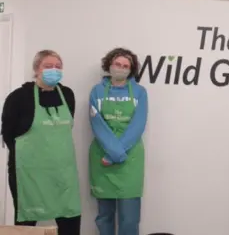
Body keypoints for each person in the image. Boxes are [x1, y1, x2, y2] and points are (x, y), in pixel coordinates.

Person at [1, 50, 81, 235]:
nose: (54, 70)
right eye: (48, 66)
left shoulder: (67, 94)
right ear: (36, 69)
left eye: (58, 66)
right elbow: (8, 134)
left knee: (70, 219)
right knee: (27, 225)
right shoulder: (18, 97)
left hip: (63, 173)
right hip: (29, 174)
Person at [89, 48, 148, 235]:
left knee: (129, 219)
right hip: (102, 157)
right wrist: (112, 153)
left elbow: (137, 126)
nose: (121, 68)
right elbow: (97, 124)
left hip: (129, 159)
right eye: (118, 64)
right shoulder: (97, 91)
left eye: (126, 66)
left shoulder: (140, 92)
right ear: (109, 65)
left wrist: (115, 154)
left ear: (131, 70)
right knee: (104, 216)